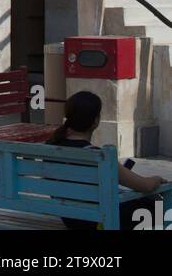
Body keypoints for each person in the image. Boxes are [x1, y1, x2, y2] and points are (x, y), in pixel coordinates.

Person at [48, 91, 168, 230]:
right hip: (101, 221)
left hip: (72, 220)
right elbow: (145, 186)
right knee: (161, 206)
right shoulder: (98, 156)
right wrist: (157, 179)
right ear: (95, 121)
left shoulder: (51, 147)